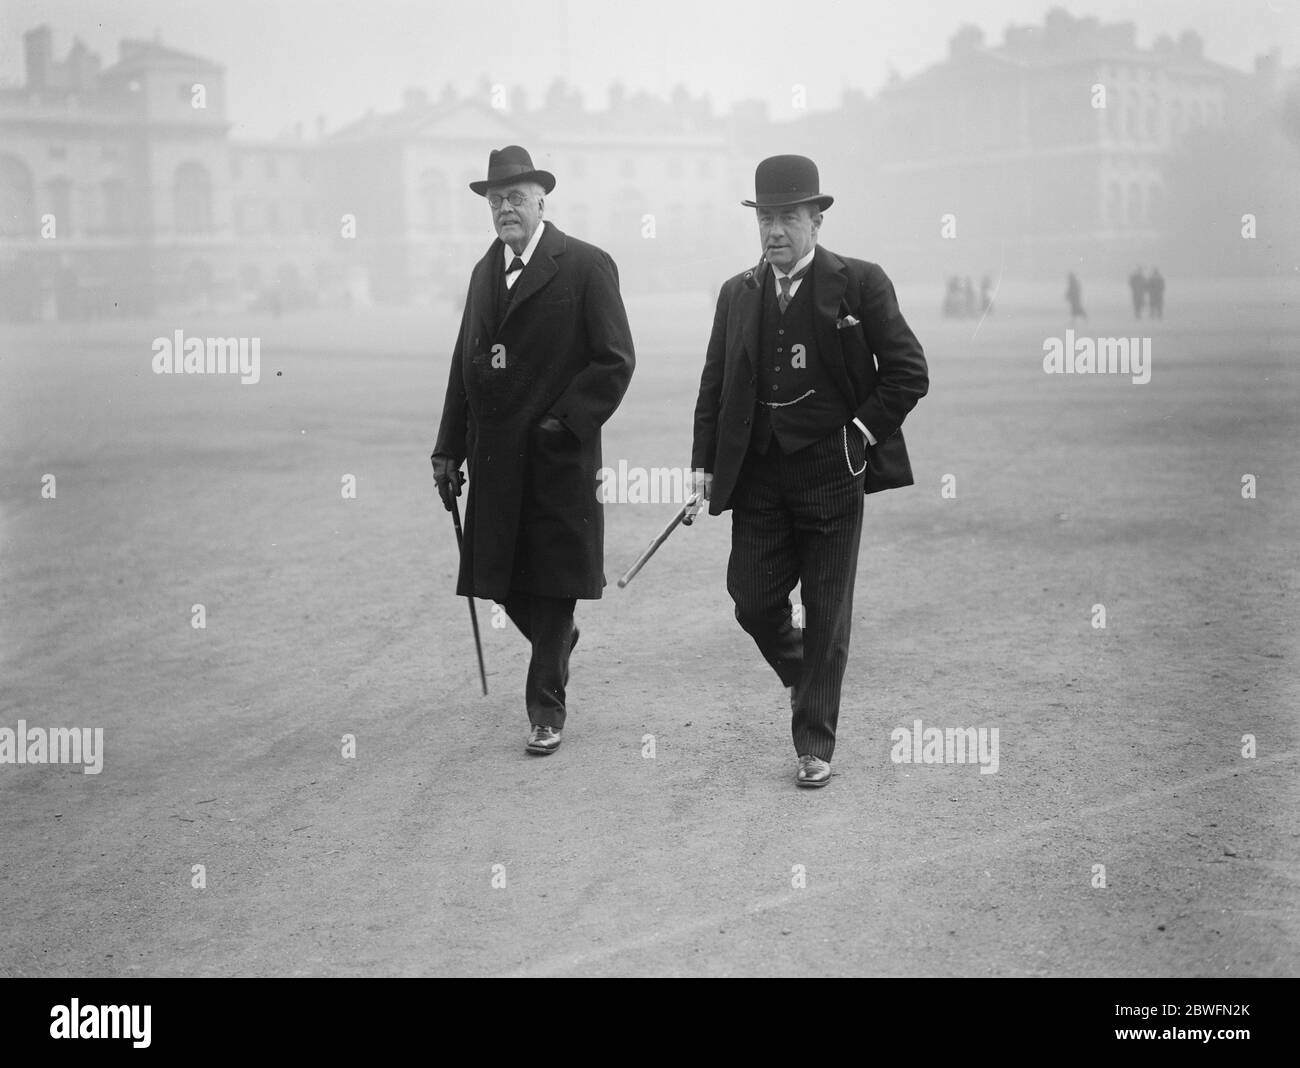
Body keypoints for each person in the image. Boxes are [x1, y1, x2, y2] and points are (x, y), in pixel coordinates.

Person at [686, 155, 928, 788]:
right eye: (766, 218)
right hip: (759, 473)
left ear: (816, 220)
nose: (774, 232)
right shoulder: (737, 293)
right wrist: (703, 468)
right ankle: (807, 674)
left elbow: (909, 371)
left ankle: (814, 740)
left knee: (827, 608)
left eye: (788, 217)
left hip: (833, 468)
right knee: (752, 599)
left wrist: (860, 435)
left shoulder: (860, 284)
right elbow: (715, 385)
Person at [431, 145, 635, 756]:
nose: (504, 209)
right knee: (500, 578)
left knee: (551, 584)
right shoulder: (482, 273)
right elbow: (463, 364)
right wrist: (448, 450)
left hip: (556, 462)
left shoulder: (586, 265)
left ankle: (546, 708)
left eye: (515, 197)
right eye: (495, 200)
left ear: (542, 198)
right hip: (494, 458)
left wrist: (561, 423)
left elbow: (615, 360)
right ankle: (557, 642)